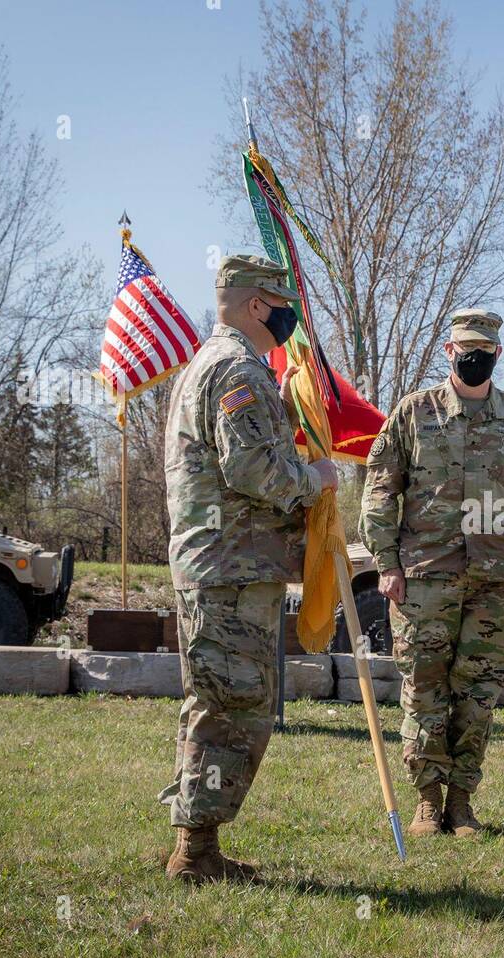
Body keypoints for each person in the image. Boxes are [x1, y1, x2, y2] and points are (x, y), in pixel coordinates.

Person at [160, 254, 337, 884]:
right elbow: (255, 470)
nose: (290, 313)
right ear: (258, 304)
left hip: (220, 566)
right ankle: (196, 851)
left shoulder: (205, 366)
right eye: (283, 301)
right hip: (230, 570)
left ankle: (195, 839)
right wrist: (314, 479)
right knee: (234, 707)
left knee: (215, 702)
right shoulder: (237, 370)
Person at [360, 309, 504, 837]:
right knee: (424, 688)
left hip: (494, 580)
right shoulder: (413, 413)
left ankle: (462, 802)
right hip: (425, 577)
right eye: (465, 348)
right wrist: (386, 563)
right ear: (448, 350)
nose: (474, 357)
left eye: (484, 350)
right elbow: (380, 489)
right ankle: (426, 800)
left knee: (478, 691)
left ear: (498, 354)